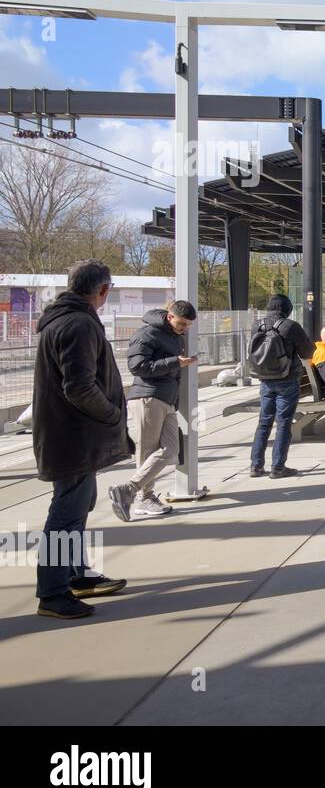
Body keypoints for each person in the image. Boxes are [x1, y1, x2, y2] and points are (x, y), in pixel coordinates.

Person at [32, 259, 132, 619]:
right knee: (65, 516)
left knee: (77, 507)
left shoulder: (63, 319)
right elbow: (79, 387)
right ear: (102, 290)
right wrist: (113, 413)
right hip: (72, 439)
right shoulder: (79, 324)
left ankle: (76, 576)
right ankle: (53, 592)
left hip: (67, 437)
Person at [109, 300, 198, 522]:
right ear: (170, 317)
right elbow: (137, 366)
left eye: (187, 325)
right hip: (148, 397)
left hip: (166, 399)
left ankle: (129, 490)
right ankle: (143, 498)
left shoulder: (173, 336)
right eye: (182, 323)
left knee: (171, 449)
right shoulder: (147, 333)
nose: (184, 328)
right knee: (147, 451)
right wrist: (174, 362)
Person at [248, 294, 315, 479]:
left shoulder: (257, 325)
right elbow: (308, 352)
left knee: (264, 421)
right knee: (284, 423)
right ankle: (278, 467)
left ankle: (256, 466)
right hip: (286, 378)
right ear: (288, 309)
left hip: (265, 379)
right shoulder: (290, 326)